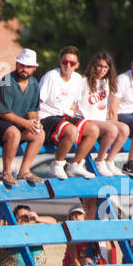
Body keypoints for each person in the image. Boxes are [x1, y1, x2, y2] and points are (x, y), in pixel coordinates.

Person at [37, 46, 99, 179]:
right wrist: (34, 122)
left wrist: (71, 112)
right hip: (46, 116)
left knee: (93, 129)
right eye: (65, 62)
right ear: (60, 62)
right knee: (71, 130)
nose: (68, 66)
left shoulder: (78, 79)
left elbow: (73, 103)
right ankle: (57, 165)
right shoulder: (50, 77)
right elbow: (37, 103)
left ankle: (75, 165)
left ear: (77, 65)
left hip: (64, 116)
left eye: (72, 63)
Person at [0, 49, 46, 186]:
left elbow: (33, 110)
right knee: (14, 133)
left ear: (34, 68)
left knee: (39, 134)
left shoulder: (34, 83)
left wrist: (35, 123)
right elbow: (3, 112)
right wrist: (26, 123)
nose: (24, 69)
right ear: (16, 64)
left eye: (28, 66)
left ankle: (24, 171)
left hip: (19, 123)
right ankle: (7, 172)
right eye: (22, 65)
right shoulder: (6, 81)